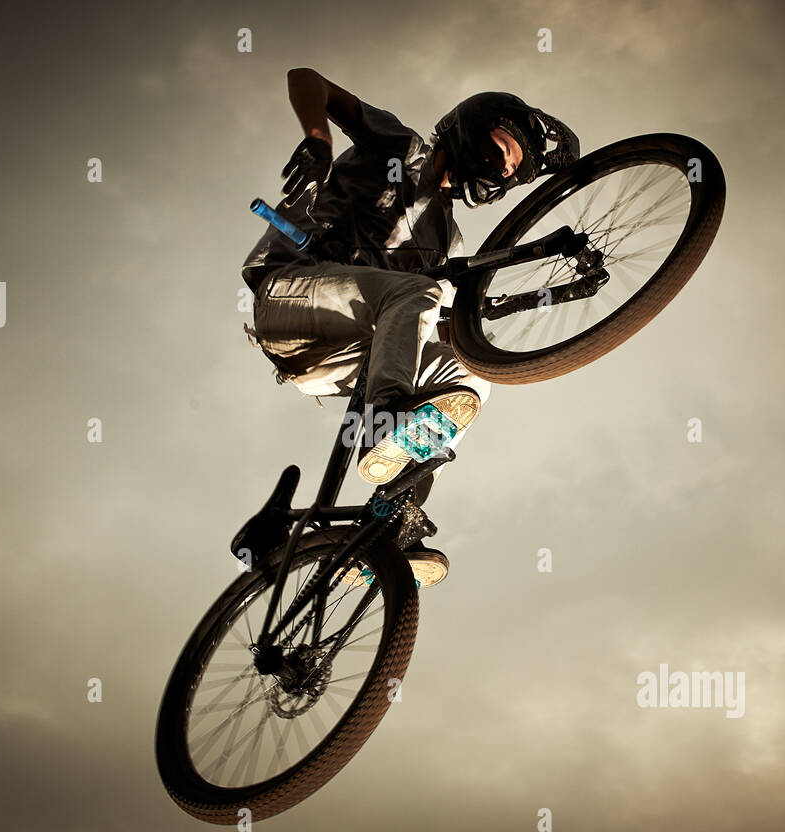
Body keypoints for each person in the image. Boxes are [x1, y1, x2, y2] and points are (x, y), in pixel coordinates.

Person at [242, 68, 579, 586]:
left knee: (471, 369)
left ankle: (387, 523)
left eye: (507, 171)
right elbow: (307, 79)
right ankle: (386, 420)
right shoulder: (401, 148)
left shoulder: (448, 237)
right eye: (497, 148)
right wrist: (317, 139)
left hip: (340, 354)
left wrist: (549, 294)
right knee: (416, 293)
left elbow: (434, 323)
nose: (496, 169)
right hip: (288, 294)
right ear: (472, 125)